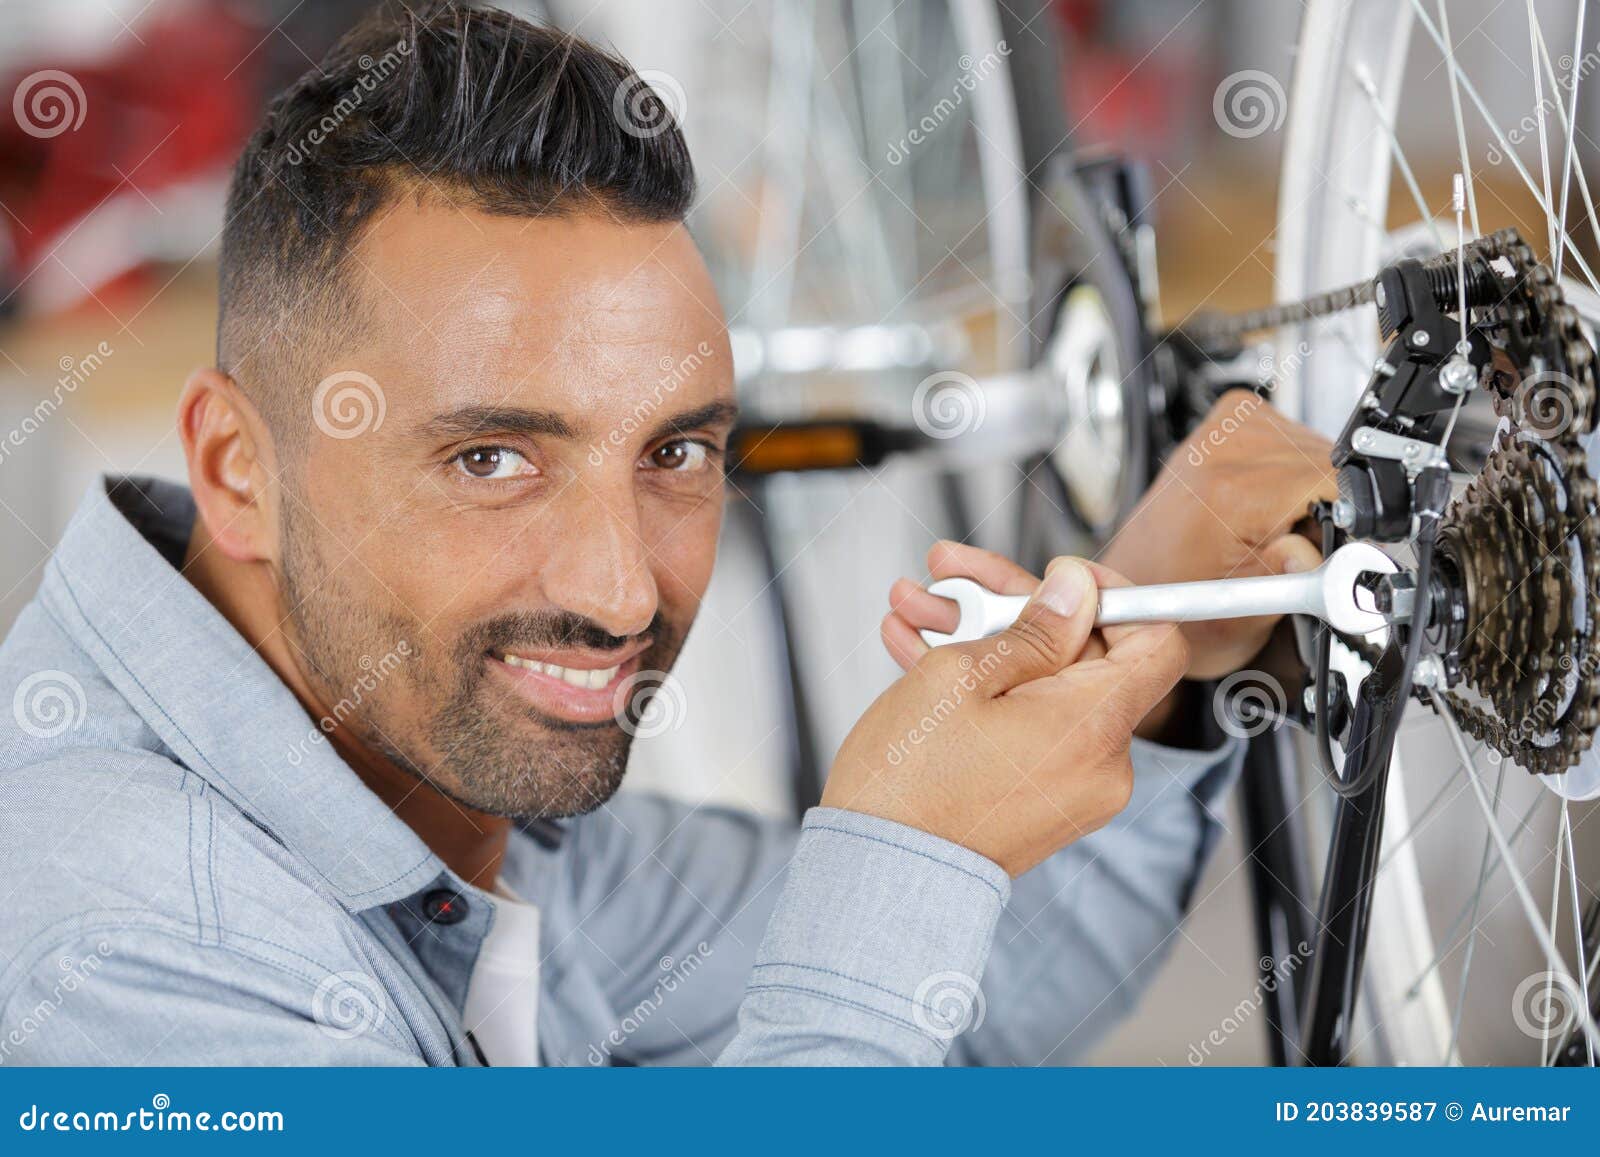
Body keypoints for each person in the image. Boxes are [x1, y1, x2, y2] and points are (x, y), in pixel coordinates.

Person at [0, 2, 1335, 1066]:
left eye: (677, 452)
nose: (620, 587)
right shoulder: (116, 949)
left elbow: (972, 1002)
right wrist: (901, 846)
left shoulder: (427, 776)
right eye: (491, 458)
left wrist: (1164, 642)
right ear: (239, 469)